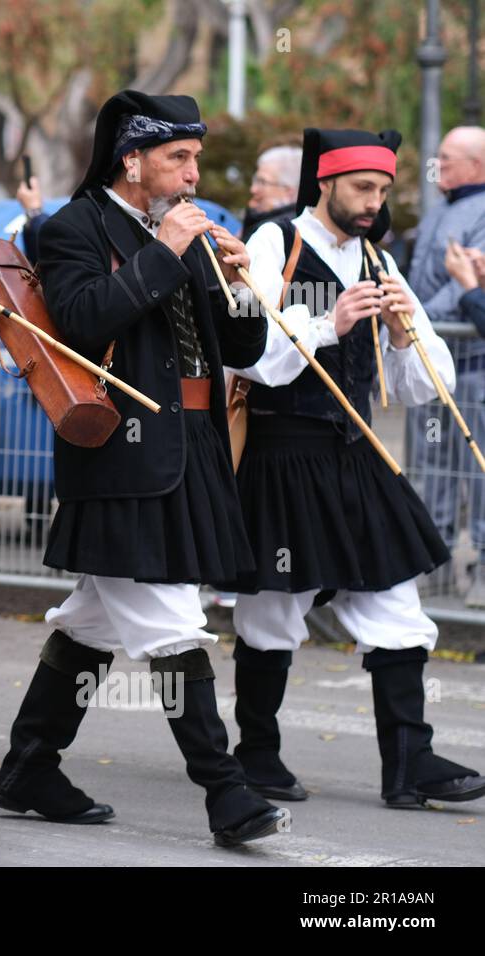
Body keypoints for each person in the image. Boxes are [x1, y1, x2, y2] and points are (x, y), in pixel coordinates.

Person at [0, 89, 286, 847]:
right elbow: (86, 321)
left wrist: (242, 280)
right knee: (168, 620)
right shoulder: (74, 227)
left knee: (93, 620)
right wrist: (166, 254)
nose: (193, 175)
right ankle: (227, 794)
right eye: (178, 159)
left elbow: (242, 350)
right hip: (120, 455)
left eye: (195, 159)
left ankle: (28, 768)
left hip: (191, 448)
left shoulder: (177, 232)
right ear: (132, 161)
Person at [229, 127, 485, 810]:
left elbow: (423, 386)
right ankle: (255, 755)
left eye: (383, 189)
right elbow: (246, 353)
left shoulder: (379, 257)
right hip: (282, 453)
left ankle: (410, 763)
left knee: (397, 608)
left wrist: (404, 336)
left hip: (356, 451)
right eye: (363, 188)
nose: (375, 202)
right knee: (273, 612)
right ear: (327, 183)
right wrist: (327, 323)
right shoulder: (274, 244)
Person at [406, 126, 485, 603]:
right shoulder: (439, 212)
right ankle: (431, 567)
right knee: (432, 467)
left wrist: (416, 318)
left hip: (472, 366)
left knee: (476, 472)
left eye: (447, 158)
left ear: (476, 165)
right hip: (430, 365)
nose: (438, 166)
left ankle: (480, 566)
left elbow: (466, 284)